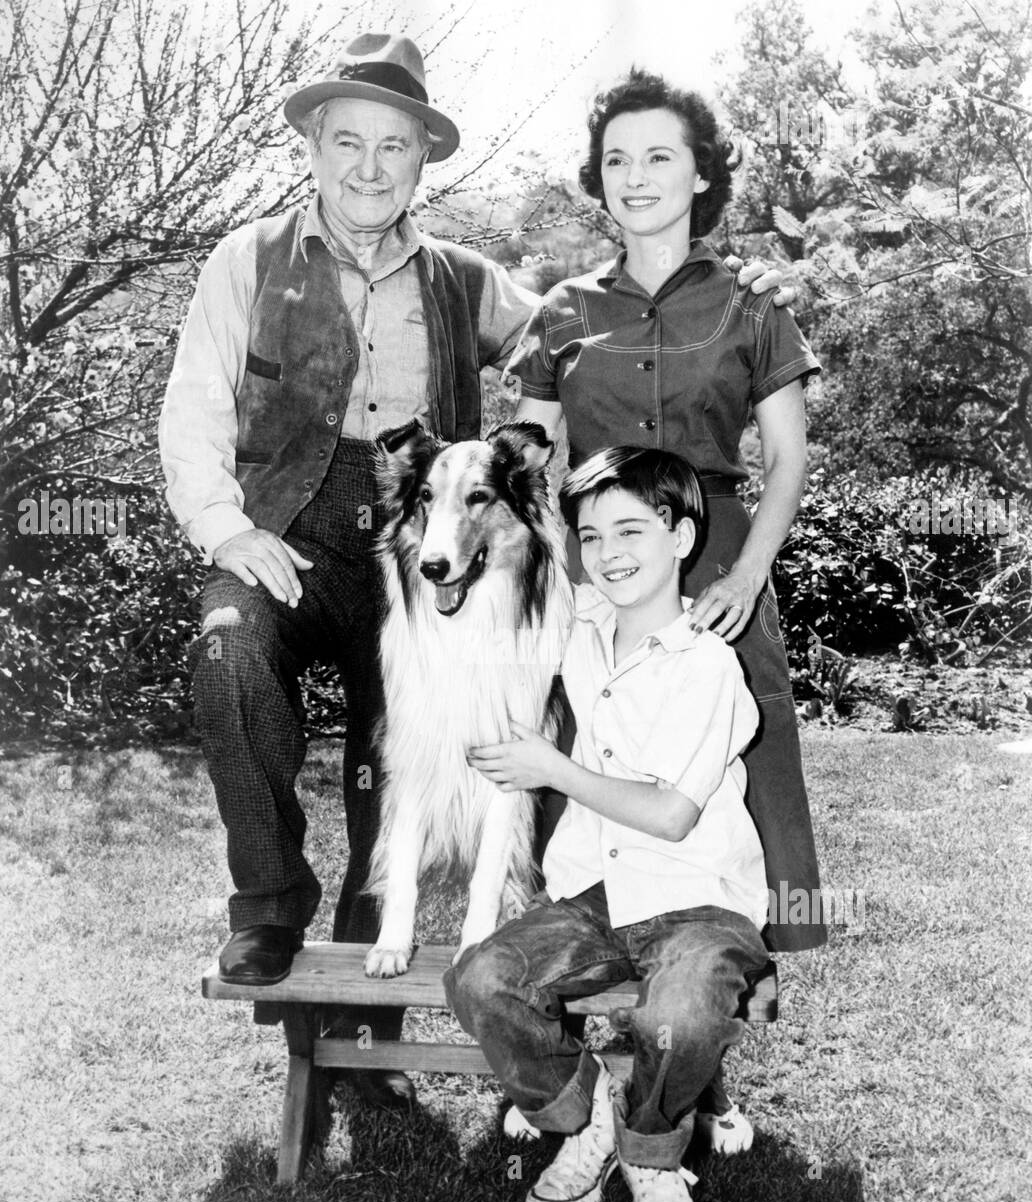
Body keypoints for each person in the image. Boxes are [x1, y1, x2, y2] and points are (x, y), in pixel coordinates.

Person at [159, 35, 794, 1106]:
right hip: (281, 533)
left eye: (394, 147)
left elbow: (569, 336)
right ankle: (268, 908)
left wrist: (717, 304)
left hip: (424, 543)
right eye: (348, 141)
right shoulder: (246, 260)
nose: (370, 166)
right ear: (314, 145)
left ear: (421, 162)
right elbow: (191, 417)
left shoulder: (463, 276)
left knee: (396, 759)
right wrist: (229, 532)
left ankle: (369, 1009)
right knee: (227, 655)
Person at [508, 70, 827, 962]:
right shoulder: (563, 311)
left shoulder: (751, 302)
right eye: (617, 159)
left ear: (700, 176)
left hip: (717, 556)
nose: (636, 176)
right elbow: (526, 470)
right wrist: (558, 588)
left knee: (740, 775)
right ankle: (550, 1020)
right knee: (577, 764)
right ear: (598, 178)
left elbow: (788, 457)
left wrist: (748, 573)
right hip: (596, 565)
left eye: (659, 156)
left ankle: (714, 1044)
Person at [447, 446, 771, 1202]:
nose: (610, 553)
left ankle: (653, 1152)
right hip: (595, 896)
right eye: (592, 537)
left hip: (699, 897)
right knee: (482, 980)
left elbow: (669, 815)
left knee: (679, 1015)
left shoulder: (709, 667)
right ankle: (589, 1118)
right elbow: (511, 570)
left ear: (683, 538)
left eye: (632, 530)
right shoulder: (583, 626)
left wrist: (554, 771)